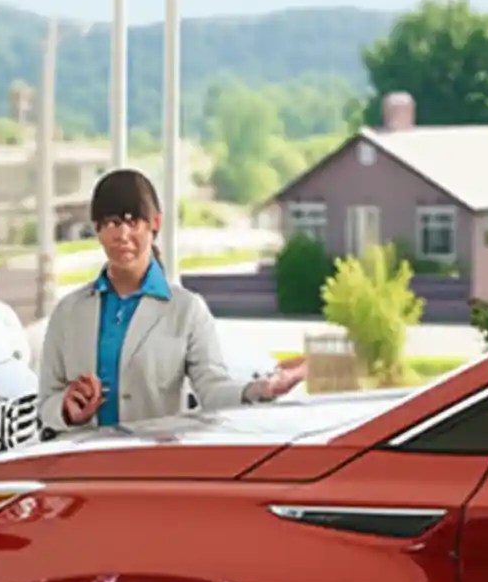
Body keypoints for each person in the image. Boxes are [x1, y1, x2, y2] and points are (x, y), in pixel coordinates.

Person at [37, 168, 304, 433]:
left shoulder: (186, 310)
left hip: (152, 464)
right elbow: (46, 400)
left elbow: (212, 389)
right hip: (82, 468)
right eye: (111, 223)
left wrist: (258, 390)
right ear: (97, 229)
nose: (122, 235)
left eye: (133, 222)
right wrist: (66, 408)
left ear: (155, 223)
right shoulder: (68, 312)